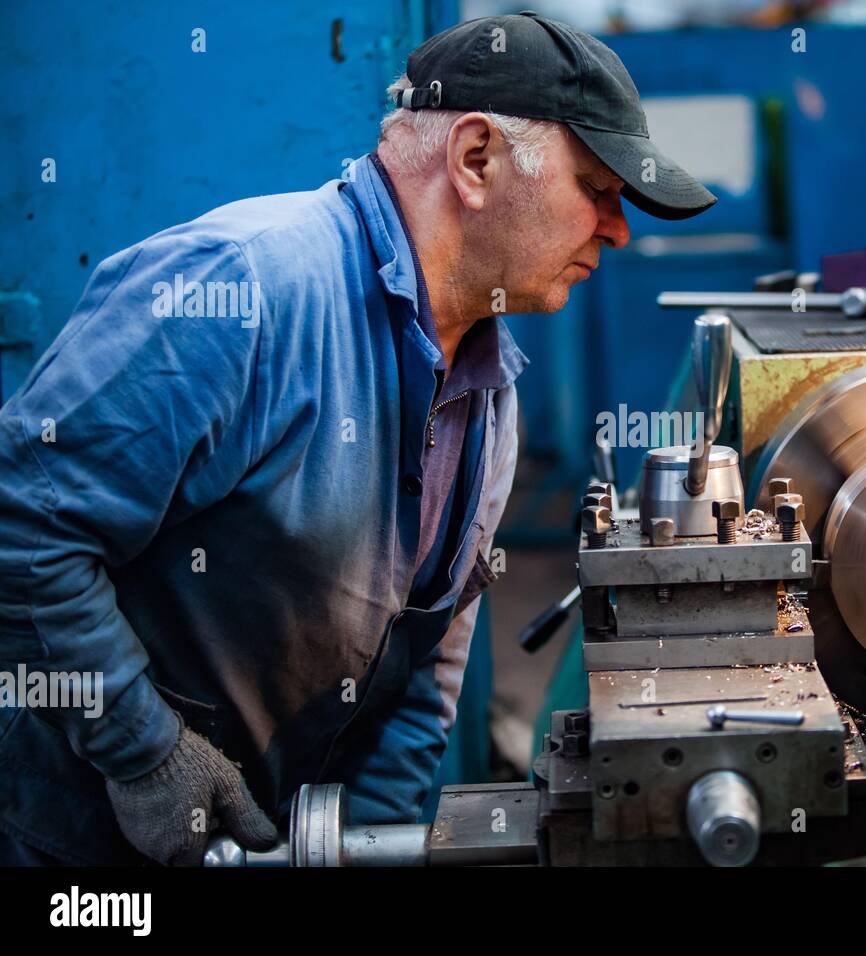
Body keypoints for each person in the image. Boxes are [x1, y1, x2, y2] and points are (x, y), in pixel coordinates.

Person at [0, 10, 715, 865]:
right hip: (62, 846)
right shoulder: (241, 291)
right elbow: (25, 527)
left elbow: (428, 676)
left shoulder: (490, 394)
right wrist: (145, 753)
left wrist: (358, 838)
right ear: (476, 159)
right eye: (598, 189)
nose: (619, 228)